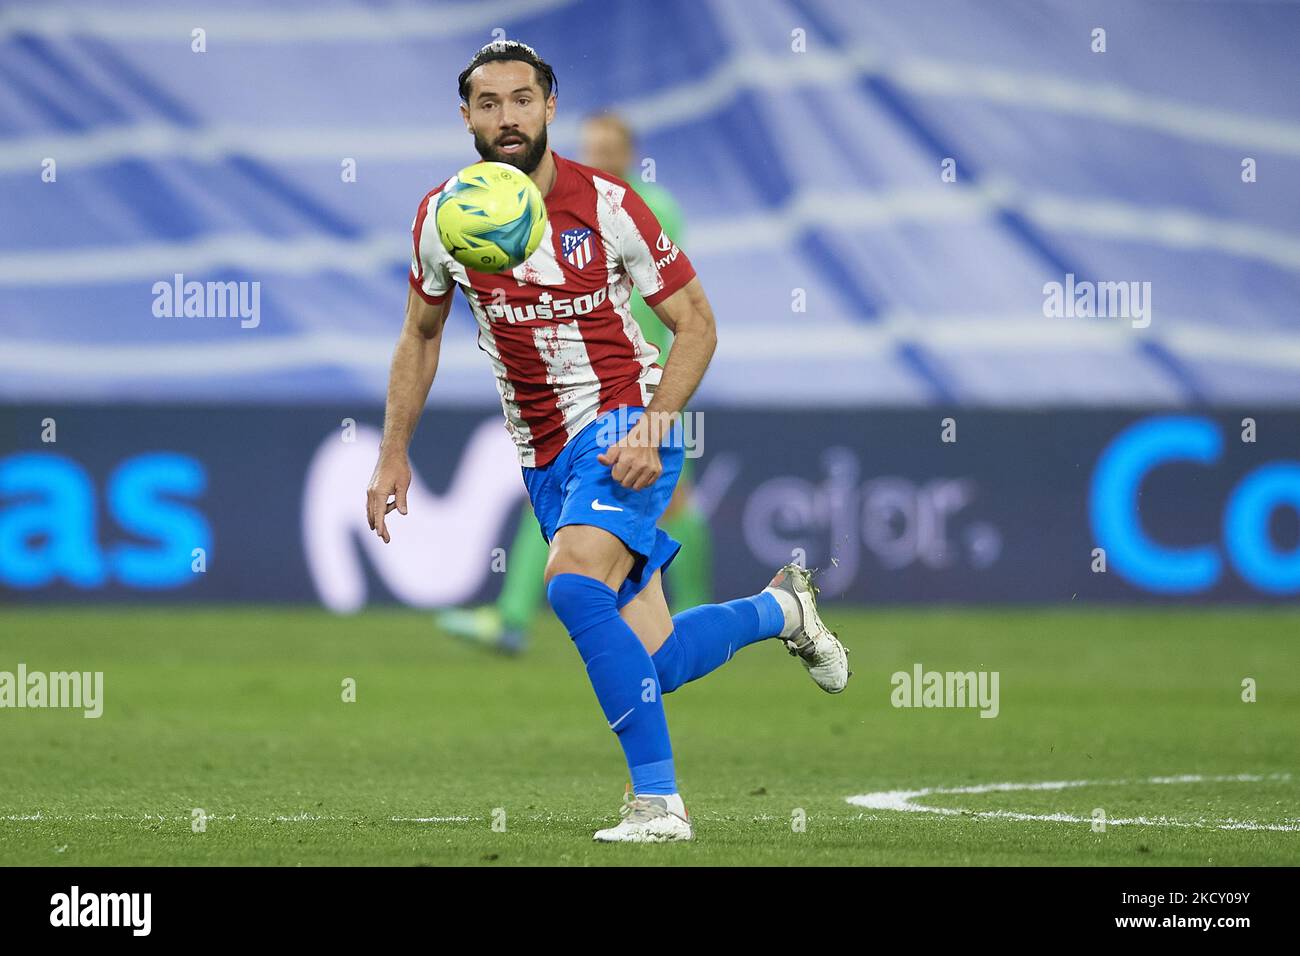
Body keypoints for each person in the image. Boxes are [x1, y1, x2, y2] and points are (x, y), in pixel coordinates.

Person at [366, 40, 850, 844]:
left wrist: (656, 429)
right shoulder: (442, 219)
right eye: (489, 103)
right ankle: (782, 610)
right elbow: (421, 335)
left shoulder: (613, 205)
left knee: (570, 585)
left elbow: (697, 324)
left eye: (523, 99)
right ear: (466, 117)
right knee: (653, 662)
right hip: (543, 457)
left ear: (550, 107)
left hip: (624, 423)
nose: (507, 116)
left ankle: (658, 804)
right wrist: (392, 450)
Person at [437, 109, 712, 654]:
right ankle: (512, 618)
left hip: (647, 378)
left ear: (630, 152)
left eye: (609, 147)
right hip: (579, 391)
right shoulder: (561, 209)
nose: (599, 156)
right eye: (592, 146)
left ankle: (694, 608)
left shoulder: (646, 208)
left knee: (676, 500)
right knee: (561, 499)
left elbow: (661, 299)